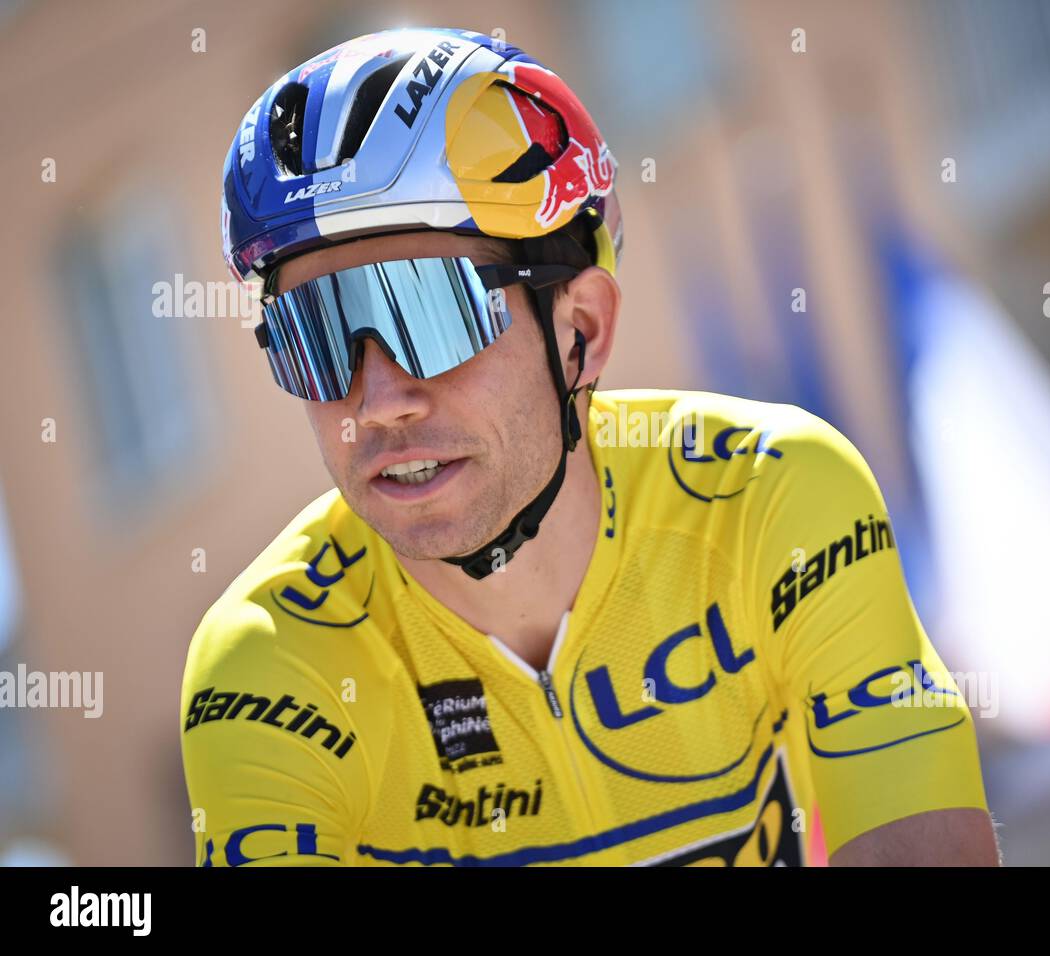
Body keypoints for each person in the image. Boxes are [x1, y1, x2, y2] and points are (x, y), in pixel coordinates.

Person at [181, 26, 999, 867]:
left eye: (429, 313)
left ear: (581, 329)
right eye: (313, 337)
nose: (381, 401)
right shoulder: (266, 668)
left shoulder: (772, 499)